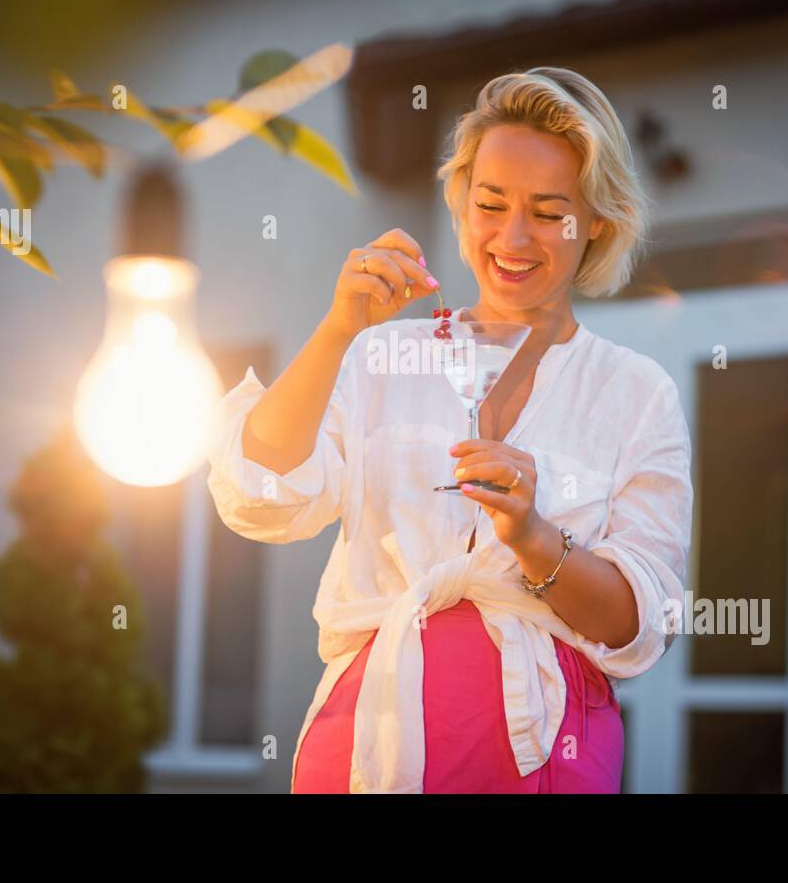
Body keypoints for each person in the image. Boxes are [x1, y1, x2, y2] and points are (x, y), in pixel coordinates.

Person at [206, 66, 693, 793]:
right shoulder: (380, 356)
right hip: (366, 742)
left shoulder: (635, 394)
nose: (513, 236)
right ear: (461, 203)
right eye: (491, 203)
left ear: (595, 219)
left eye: (548, 210)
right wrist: (338, 329)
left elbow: (639, 624)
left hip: (543, 750)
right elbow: (260, 494)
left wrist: (533, 535)